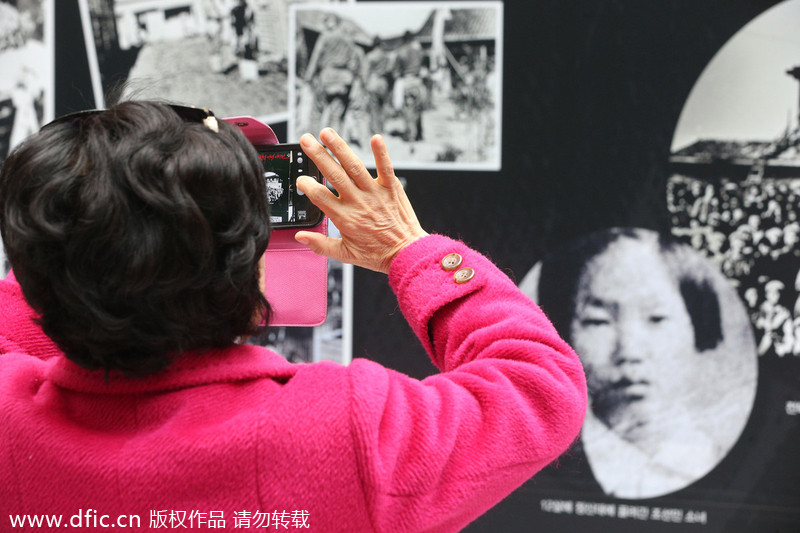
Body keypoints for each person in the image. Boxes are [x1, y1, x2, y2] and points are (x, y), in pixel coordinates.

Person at [0, 101, 586, 532]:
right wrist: (409, 249)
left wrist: (97, 222)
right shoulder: (349, 432)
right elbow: (539, 387)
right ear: (250, 261)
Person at [522, 227, 757, 499]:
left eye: (656, 318)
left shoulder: (732, 465)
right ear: (563, 331)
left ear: (698, 326)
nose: (629, 351)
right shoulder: (540, 471)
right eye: (598, 321)